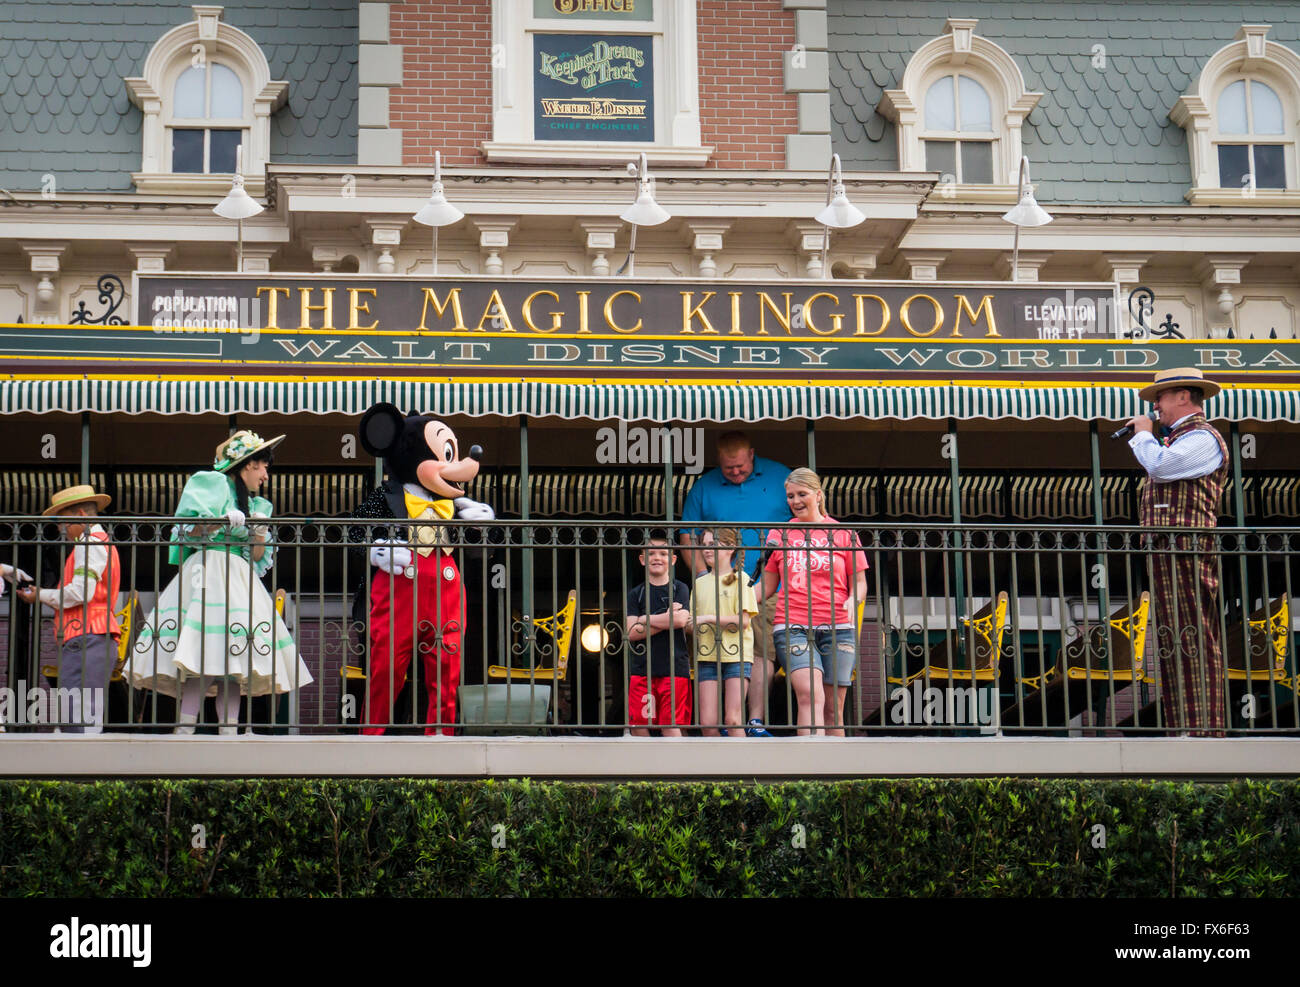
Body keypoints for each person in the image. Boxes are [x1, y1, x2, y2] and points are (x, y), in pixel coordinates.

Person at [130, 430, 313, 734]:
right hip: (209, 572)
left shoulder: (258, 506)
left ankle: (229, 731)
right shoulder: (213, 484)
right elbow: (191, 531)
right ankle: (185, 728)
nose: (266, 475)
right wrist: (224, 519)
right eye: (263, 466)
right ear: (247, 465)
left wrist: (257, 530)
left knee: (233, 660)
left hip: (239, 578)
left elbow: (255, 556)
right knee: (204, 655)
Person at [1123, 367, 1229, 737]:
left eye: (1160, 399)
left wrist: (1142, 435)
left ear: (1184, 396)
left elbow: (1162, 467)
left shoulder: (1202, 438)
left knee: (1194, 636)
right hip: (1170, 551)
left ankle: (1203, 729)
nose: (1156, 407)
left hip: (1188, 549)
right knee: (1173, 639)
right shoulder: (1179, 438)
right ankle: (1182, 726)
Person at [679, 431, 789, 737]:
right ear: (718, 461)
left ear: (752, 454)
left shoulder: (783, 477)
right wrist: (704, 577)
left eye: (741, 466)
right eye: (729, 468)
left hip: (770, 584)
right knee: (713, 651)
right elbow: (688, 537)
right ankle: (722, 723)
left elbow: (802, 525)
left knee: (759, 651)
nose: (736, 472)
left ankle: (753, 721)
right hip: (717, 584)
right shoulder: (704, 487)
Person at [762, 468, 868, 736]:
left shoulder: (844, 535)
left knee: (834, 710)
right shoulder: (780, 534)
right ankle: (811, 768)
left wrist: (852, 600)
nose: (795, 501)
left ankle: (834, 775)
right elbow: (767, 585)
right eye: (790, 496)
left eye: (801, 494)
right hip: (792, 623)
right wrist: (739, 600)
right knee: (810, 694)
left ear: (818, 495)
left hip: (838, 626)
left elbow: (859, 582)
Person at [14, 485, 120, 733]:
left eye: (63, 522)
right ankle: (86, 766)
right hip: (97, 635)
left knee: (76, 713)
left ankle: (80, 769)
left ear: (81, 515)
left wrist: (40, 595)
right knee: (87, 711)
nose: (61, 529)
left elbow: (81, 592)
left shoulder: (89, 544)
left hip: (86, 636)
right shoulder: (103, 543)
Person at [690, 528, 758, 737]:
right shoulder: (700, 582)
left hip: (736, 655)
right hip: (706, 654)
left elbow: (744, 621)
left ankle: (742, 769)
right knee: (708, 724)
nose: (707, 550)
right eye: (704, 546)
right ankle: (720, 769)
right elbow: (692, 622)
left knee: (733, 719)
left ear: (730, 548)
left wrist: (709, 618)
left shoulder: (741, 578)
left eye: (713, 545)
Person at [624, 535, 692, 736]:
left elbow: (680, 621)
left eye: (663, 553)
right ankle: (646, 767)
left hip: (674, 667)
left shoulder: (680, 588)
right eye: (651, 553)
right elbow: (630, 632)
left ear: (672, 560)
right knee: (638, 725)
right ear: (642, 559)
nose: (657, 558)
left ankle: (674, 768)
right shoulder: (636, 593)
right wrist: (666, 618)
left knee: (670, 725)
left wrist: (644, 619)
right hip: (642, 668)